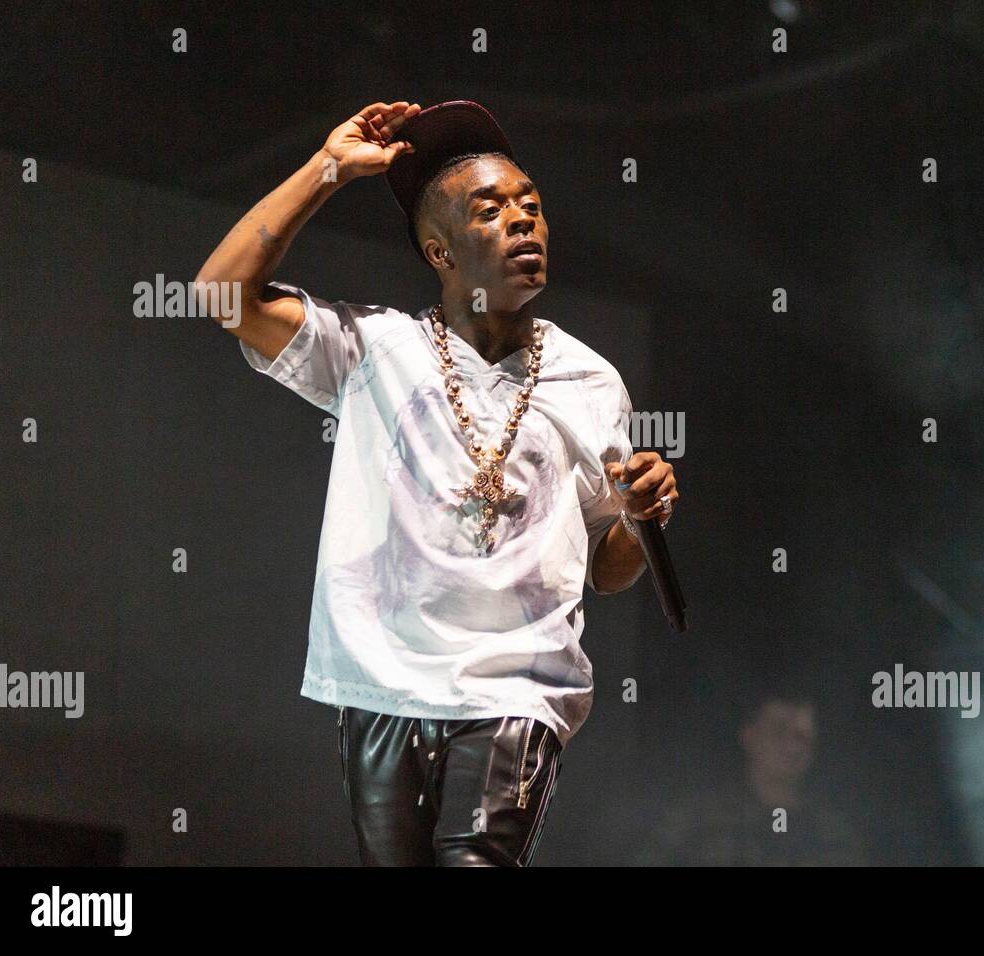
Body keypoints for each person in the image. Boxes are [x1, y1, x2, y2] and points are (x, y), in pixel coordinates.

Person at [195, 99, 680, 866]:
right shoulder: (372, 350)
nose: (524, 222)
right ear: (441, 252)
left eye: (533, 207)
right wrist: (328, 169)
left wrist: (631, 514)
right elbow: (220, 293)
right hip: (382, 684)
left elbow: (607, 571)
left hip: (517, 692)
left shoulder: (593, 381)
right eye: (491, 211)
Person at [639, 693, 859, 866]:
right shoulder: (696, 819)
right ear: (749, 736)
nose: (794, 746)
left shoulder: (831, 831)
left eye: (803, 735)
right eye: (779, 730)